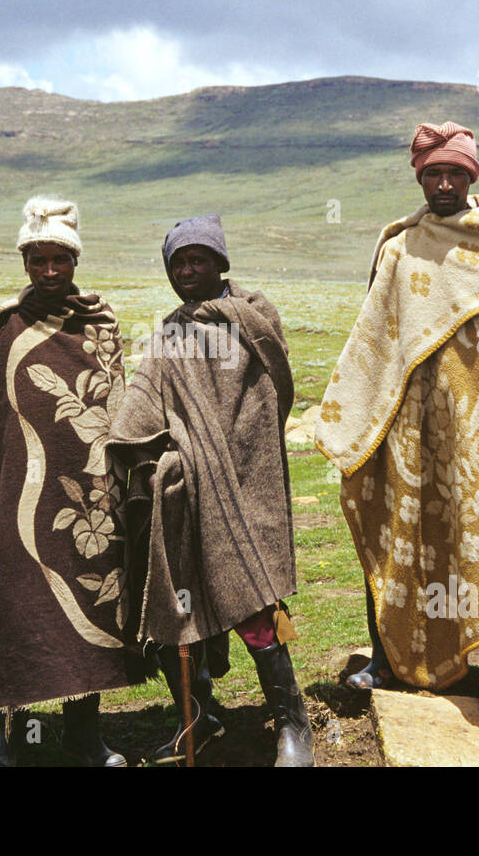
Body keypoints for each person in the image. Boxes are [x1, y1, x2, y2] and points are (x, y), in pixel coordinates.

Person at [316, 121, 479, 716]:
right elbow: (377, 338)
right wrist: (365, 416)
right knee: (395, 533)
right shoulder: (399, 246)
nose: (442, 184)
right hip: (409, 424)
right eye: (432, 173)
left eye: (453, 174)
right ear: (419, 176)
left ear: (471, 177)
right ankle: (387, 663)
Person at [108, 213, 314, 767]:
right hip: (186, 489)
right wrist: (153, 455)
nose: (187, 271)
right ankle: (197, 717)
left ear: (221, 263)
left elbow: (271, 397)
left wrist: (230, 453)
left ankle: (293, 721)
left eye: (198, 259)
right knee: (180, 606)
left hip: (248, 482)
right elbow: (144, 401)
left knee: (251, 603)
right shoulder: (169, 331)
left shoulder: (253, 317)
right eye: (177, 263)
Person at [0, 196, 144, 767]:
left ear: (75, 261)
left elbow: (115, 411)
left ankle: (84, 738)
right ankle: (10, 738)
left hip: (87, 501)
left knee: (88, 607)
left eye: (61, 259)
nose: (50, 271)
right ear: (25, 260)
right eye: (39, 259)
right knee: (14, 607)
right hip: (14, 497)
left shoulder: (100, 325)